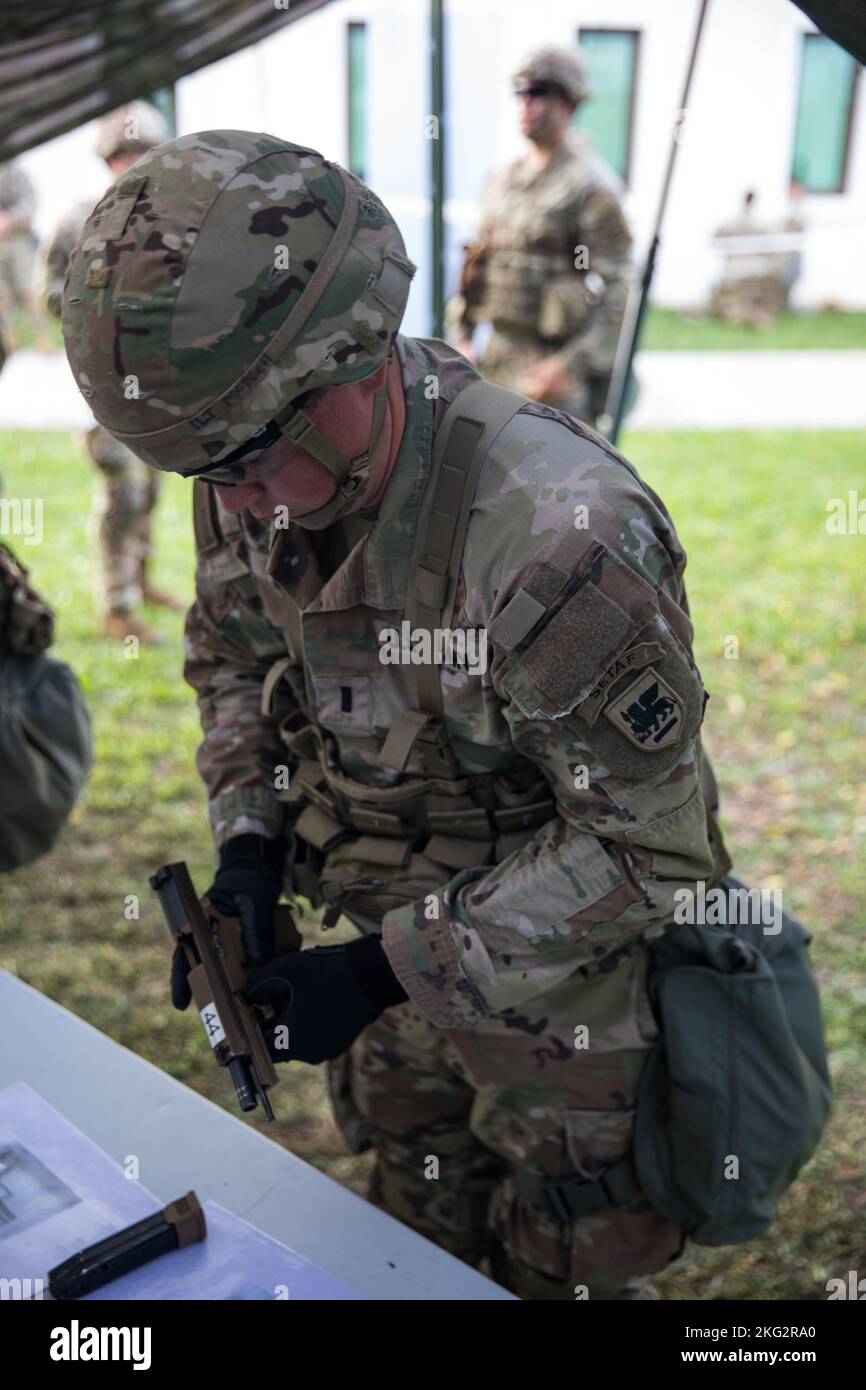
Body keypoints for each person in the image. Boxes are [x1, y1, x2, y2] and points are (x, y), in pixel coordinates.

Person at [62, 130, 732, 1300]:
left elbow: (650, 847)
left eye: (251, 459)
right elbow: (231, 656)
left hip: (552, 1004)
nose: (233, 503)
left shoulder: (554, 536)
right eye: (205, 475)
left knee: (554, 1261)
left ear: (348, 356)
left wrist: (383, 972)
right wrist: (251, 850)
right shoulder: (247, 459)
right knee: (407, 1250)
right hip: (379, 958)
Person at [42, 101, 181, 645]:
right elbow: (50, 293)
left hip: (158, 376)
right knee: (122, 487)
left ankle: (141, 581)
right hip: (105, 374)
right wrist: (104, 305)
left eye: (144, 152)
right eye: (126, 153)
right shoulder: (79, 218)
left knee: (150, 487)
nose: (135, 162)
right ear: (108, 159)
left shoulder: (171, 219)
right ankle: (116, 605)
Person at [445, 46, 632, 430]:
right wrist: (461, 338)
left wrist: (569, 367)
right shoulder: (501, 180)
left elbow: (619, 288)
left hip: (552, 373)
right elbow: (475, 265)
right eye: (521, 91)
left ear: (570, 102)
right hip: (492, 361)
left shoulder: (589, 187)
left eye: (540, 92)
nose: (527, 103)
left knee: (558, 486)